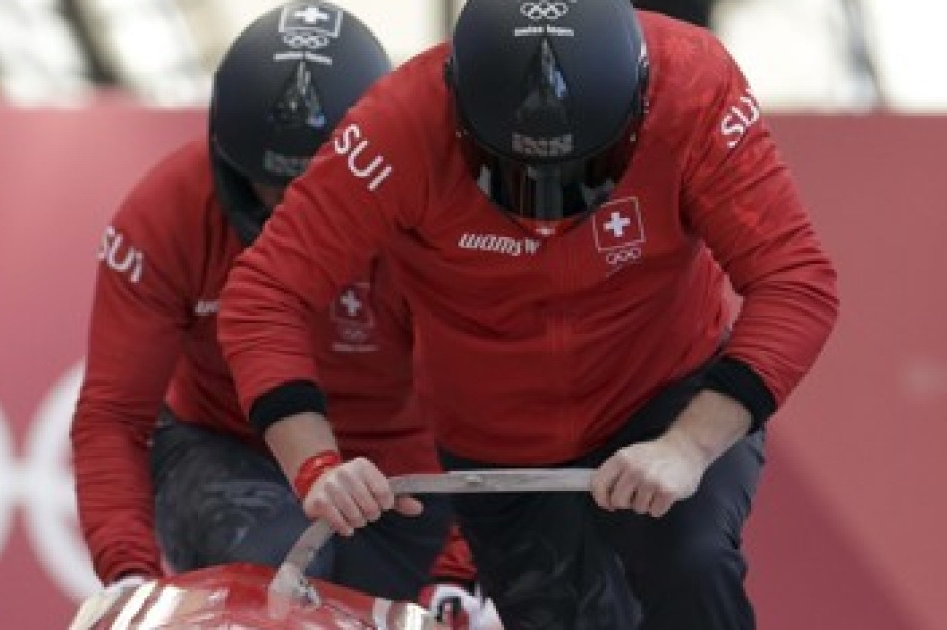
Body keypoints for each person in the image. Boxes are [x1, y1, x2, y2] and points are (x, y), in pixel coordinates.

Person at [217, 1, 840, 629]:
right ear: (459, 110)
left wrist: (688, 445)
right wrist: (316, 463)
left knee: (693, 567)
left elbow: (795, 280)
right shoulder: (399, 124)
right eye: (514, 175)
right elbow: (265, 293)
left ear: (637, 107)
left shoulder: (696, 89)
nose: (546, 215)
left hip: (663, 392)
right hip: (497, 437)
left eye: (583, 171)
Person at [68, 0, 479, 623]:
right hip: (231, 451)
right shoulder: (166, 214)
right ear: (230, 164)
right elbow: (115, 415)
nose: (300, 214)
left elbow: (499, 402)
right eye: (275, 188)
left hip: (403, 479)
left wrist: (459, 572)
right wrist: (129, 578)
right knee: (273, 571)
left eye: (323, 186)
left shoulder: (439, 217)